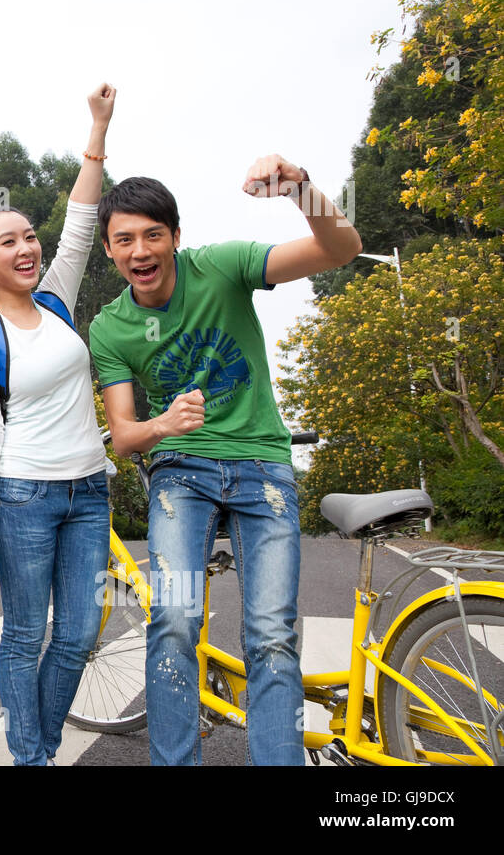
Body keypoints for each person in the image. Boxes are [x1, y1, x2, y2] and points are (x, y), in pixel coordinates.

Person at [89, 157, 362, 765]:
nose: (140, 250)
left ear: (175, 237)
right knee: (175, 620)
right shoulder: (110, 328)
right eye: (125, 239)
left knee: (272, 635)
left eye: (152, 235)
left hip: (262, 467)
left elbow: (341, 249)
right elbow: (126, 435)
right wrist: (164, 425)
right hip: (179, 476)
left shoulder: (221, 267)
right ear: (109, 250)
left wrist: (299, 188)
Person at [0, 84, 117, 766]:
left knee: (79, 634)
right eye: (7, 241)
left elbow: (82, 218)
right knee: (26, 635)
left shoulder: (56, 301)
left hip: (88, 492)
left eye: (29, 237)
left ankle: (38, 746)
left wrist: (98, 126)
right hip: (22, 495)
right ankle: (32, 757)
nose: (25, 248)